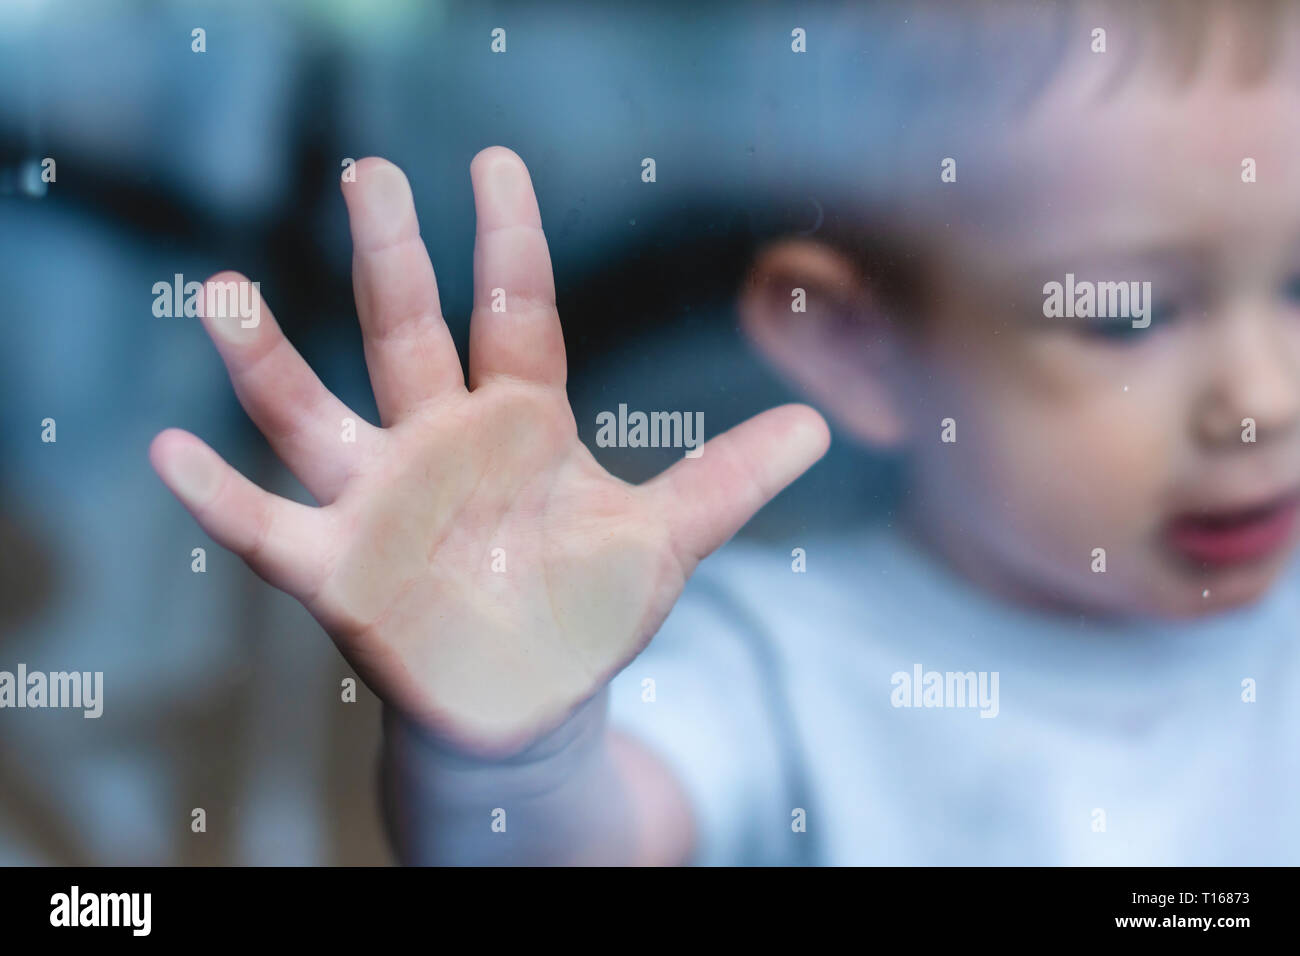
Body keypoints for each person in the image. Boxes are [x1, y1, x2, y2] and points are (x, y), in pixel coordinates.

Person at [150, 0, 1300, 864]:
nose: (1262, 396)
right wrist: (509, 720)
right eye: (1126, 315)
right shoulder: (775, 661)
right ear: (858, 343)